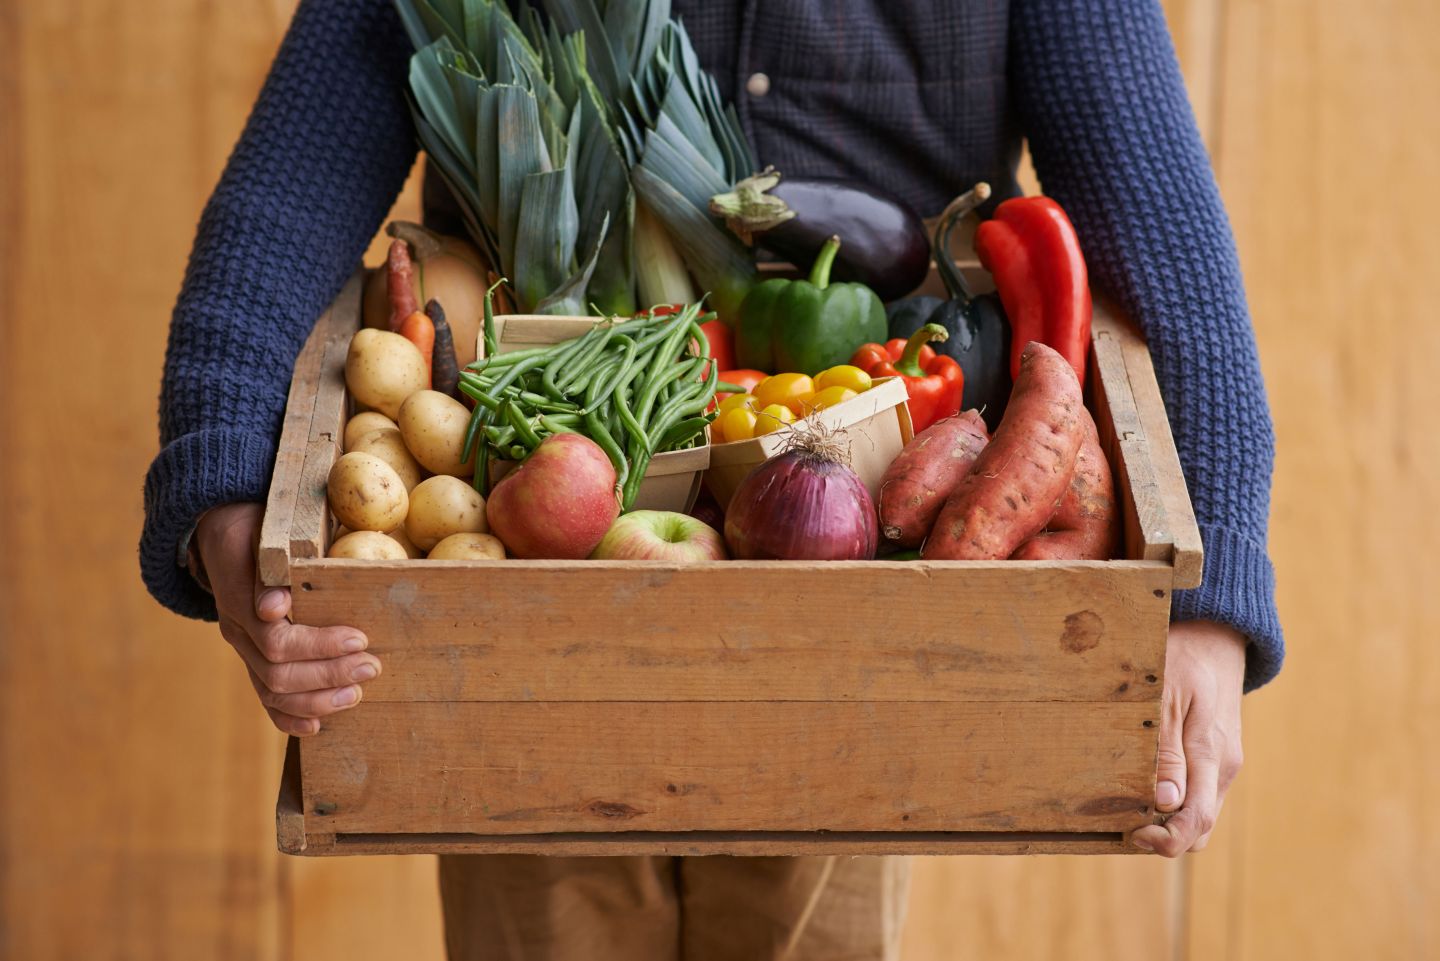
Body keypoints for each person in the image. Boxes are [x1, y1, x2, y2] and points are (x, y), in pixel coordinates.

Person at [141, 0, 1282, 957]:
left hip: (868, 581)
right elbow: (284, 199)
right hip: (517, 555)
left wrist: (1213, 591)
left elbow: (1163, 233)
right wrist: (229, 497)